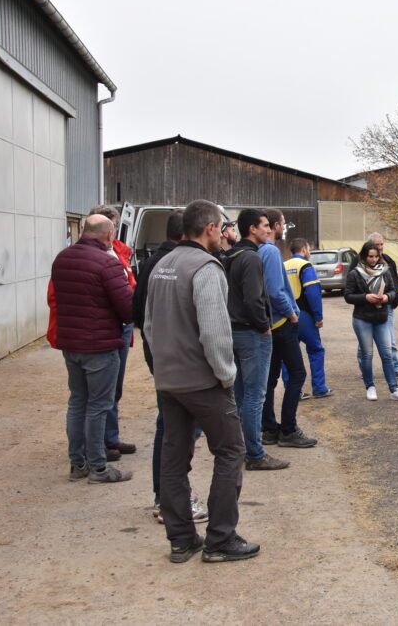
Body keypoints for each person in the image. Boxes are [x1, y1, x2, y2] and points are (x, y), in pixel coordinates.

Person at [145, 199, 259, 563]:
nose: (225, 233)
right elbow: (214, 331)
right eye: (222, 227)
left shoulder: (162, 264)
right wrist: (226, 375)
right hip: (202, 380)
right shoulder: (206, 267)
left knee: (174, 458)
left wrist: (162, 368)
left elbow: (148, 325)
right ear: (210, 228)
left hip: (169, 379)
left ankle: (181, 539)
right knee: (230, 450)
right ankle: (220, 540)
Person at [132, 210, 210, 522]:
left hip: (164, 362)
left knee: (172, 428)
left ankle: (166, 496)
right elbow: (144, 316)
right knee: (176, 430)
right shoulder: (174, 265)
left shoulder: (154, 263)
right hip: (180, 366)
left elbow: (140, 316)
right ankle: (169, 498)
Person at [51, 213, 133, 483]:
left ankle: (78, 464)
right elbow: (127, 309)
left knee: (77, 402)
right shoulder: (107, 263)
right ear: (109, 234)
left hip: (71, 344)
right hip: (99, 345)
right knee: (98, 406)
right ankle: (99, 468)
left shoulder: (62, 259)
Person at [226, 209, 289, 471]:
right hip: (252, 334)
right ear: (252, 228)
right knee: (254, 395)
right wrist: (264, 326)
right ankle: (254, 454)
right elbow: (254, 298)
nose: (269, 230)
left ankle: (241, 447)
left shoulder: (229, 255)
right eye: (264, 226)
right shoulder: (251, 257)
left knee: (241, 394)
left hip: (234, 332)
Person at [260, 209, 317, 448]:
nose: (285, 227)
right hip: (281, 323)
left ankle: (270, 429)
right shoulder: (271, 251)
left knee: (270, 379)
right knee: (297, 374)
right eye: (284, 224)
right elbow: (275, 291)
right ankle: (289, 430)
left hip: (267, 324)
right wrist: (292, 313)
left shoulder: (258, 251)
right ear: (275, 225)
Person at [89, 205, 138, 456]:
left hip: (122, 326)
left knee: (114, 387)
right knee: (97, 391)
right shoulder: (87, 256)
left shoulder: (120, 251)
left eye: (115, 226)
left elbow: (129, 284)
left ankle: (110, 437)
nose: (112, 232)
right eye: (109, 227)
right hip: (104, 328)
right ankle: (95, 446)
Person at [345, 242, 398, 403]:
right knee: (367, 354)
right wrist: (365, 297)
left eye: (376, 256)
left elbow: (394, 291)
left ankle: (394, 389)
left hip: (381, 317)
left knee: (387, 354)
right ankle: (370, 387)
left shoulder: (385, 272)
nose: (373, 259)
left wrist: (388, 297)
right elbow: (348, 296)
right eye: (370, 256)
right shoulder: (355, 274)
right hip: (362, 319)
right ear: (364, 256)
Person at [284, 238, 333, 399]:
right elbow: (312, 292)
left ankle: (293, 391)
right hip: (304, 314)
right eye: (309, 249)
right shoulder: (306, 266)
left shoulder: (283, 265)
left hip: (286, 315)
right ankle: (319, 388)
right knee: (316, 350)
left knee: (288, 355)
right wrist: (318, 317)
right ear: (304, 249)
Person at [366, 232, 398, 380]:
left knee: (390, 339)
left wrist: (394, 299)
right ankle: (365, 367)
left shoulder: (388, 261)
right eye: (377, 244)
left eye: (382, 244)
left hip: (386, 305)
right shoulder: (361, 262)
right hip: (366, 308)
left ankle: (395, 368)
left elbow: (395, 282)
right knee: (365, 342)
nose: (380, 247)